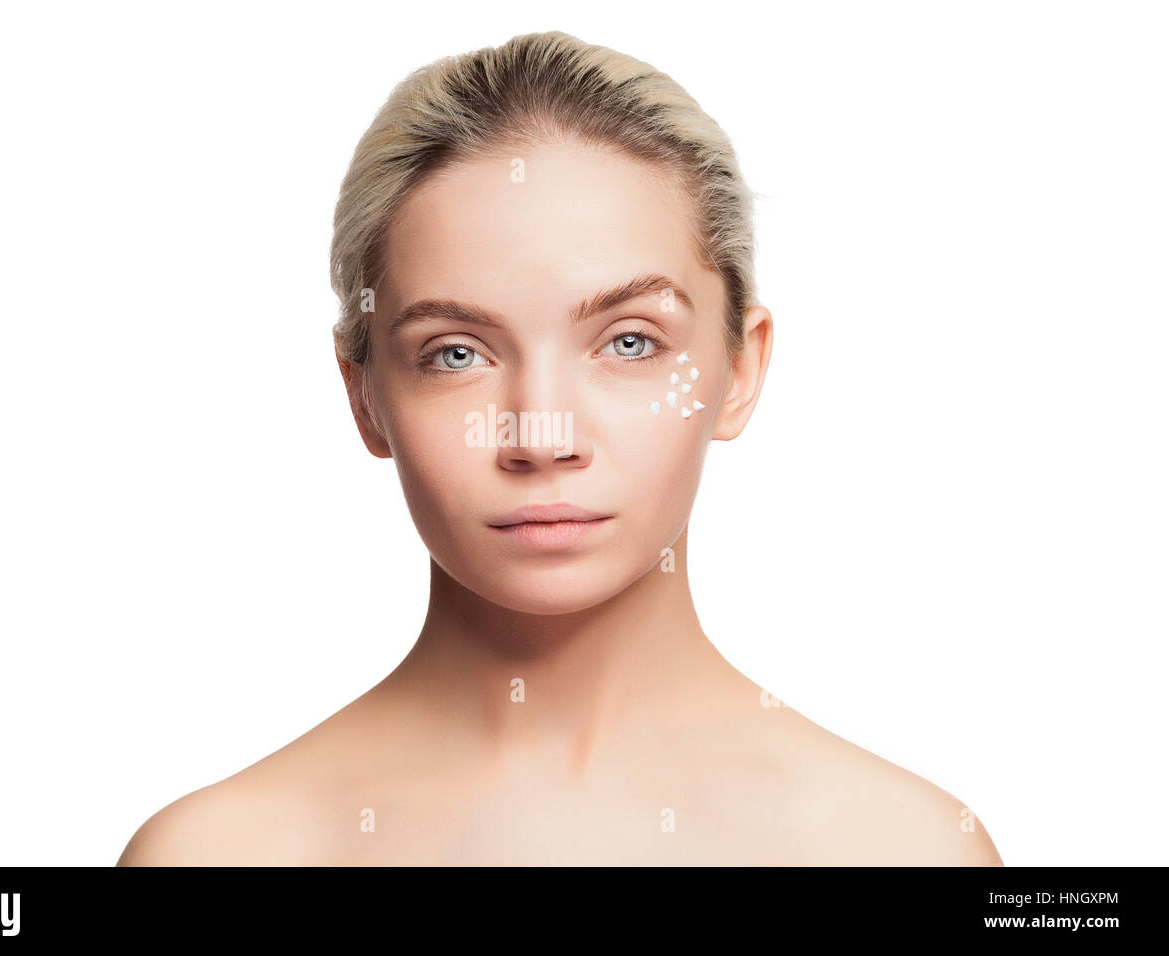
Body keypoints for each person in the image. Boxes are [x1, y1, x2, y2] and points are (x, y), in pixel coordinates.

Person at [118, 30, 1003, 865]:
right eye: (455, 353)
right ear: (366, 396)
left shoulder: (906, 849)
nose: (542, 435)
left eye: (628, 343)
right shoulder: (218, 854)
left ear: (739, 368)